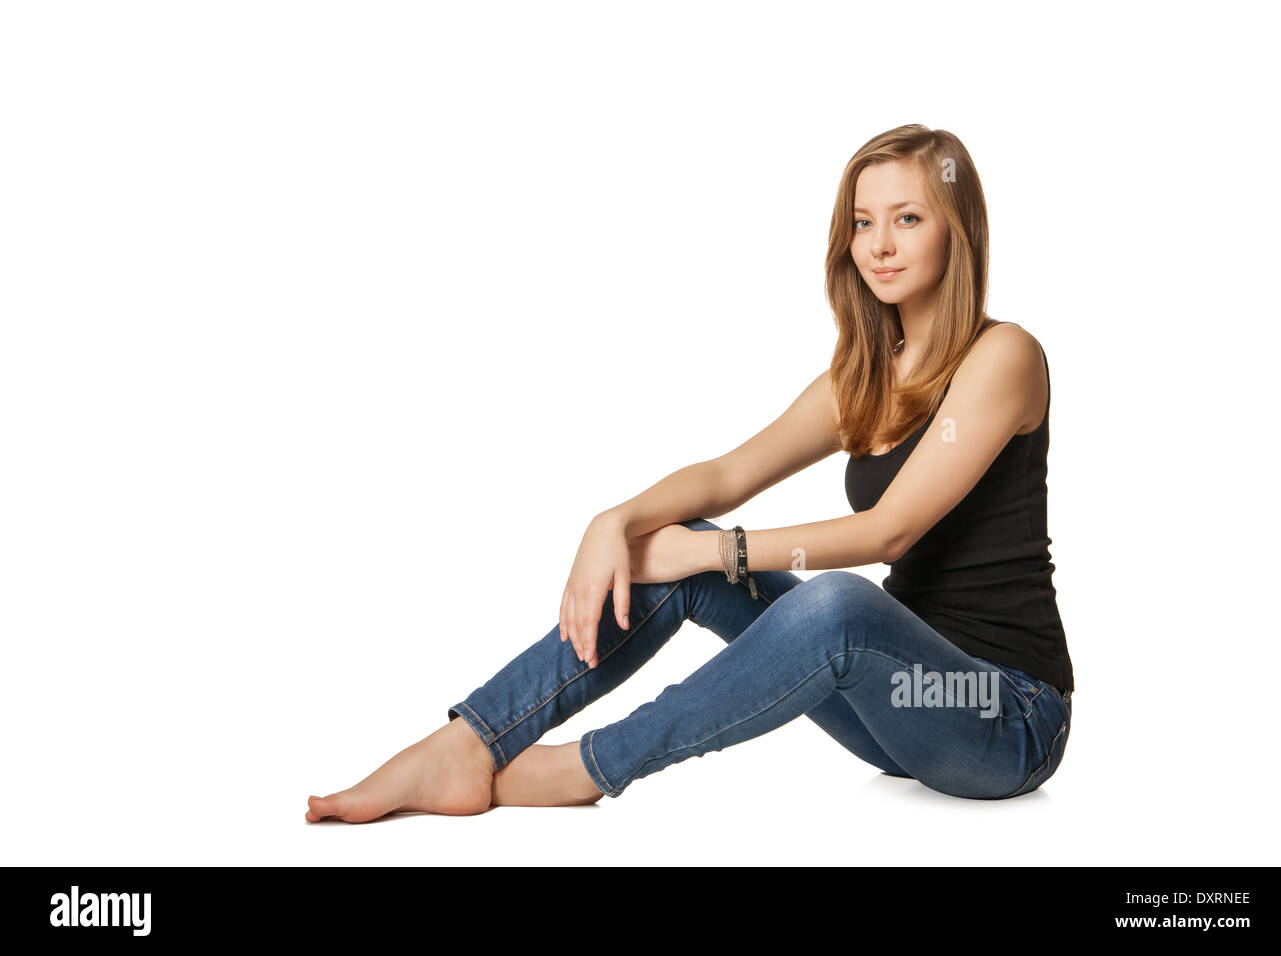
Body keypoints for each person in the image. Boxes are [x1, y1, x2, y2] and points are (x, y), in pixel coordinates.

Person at [305, 124, 1075, 822]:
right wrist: (614, 522)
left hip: (1000, 714)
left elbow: (888, 530)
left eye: (907, 218)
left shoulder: (1003, 357)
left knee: (827, 599)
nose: (879, 244)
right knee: (680, 543)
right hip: (894, 717)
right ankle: (474, 742)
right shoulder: (864, 378)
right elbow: (728, 473)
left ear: (958, 230)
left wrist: (717, 551)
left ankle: (590, 767)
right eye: (862, 223)